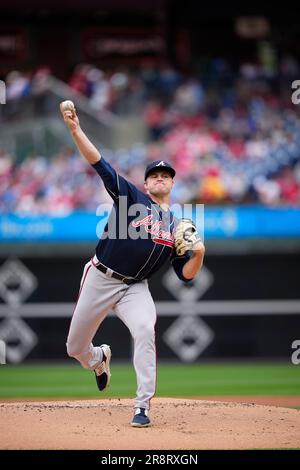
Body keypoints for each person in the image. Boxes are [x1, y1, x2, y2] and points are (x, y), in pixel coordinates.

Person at [61, 103, 205, 427]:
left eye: (165, 175)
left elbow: (185, 276)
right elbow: (99, 163)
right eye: (154, 175)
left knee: (144, 329)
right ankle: (99, 359)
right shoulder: (131, 198)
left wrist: (198, 254)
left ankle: (142, 406)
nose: (159, 178)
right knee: (75, 347)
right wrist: (75, 130)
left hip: (134, 288)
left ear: (171, 184)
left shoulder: (178, 226)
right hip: (101, 276)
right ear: (147, 183)